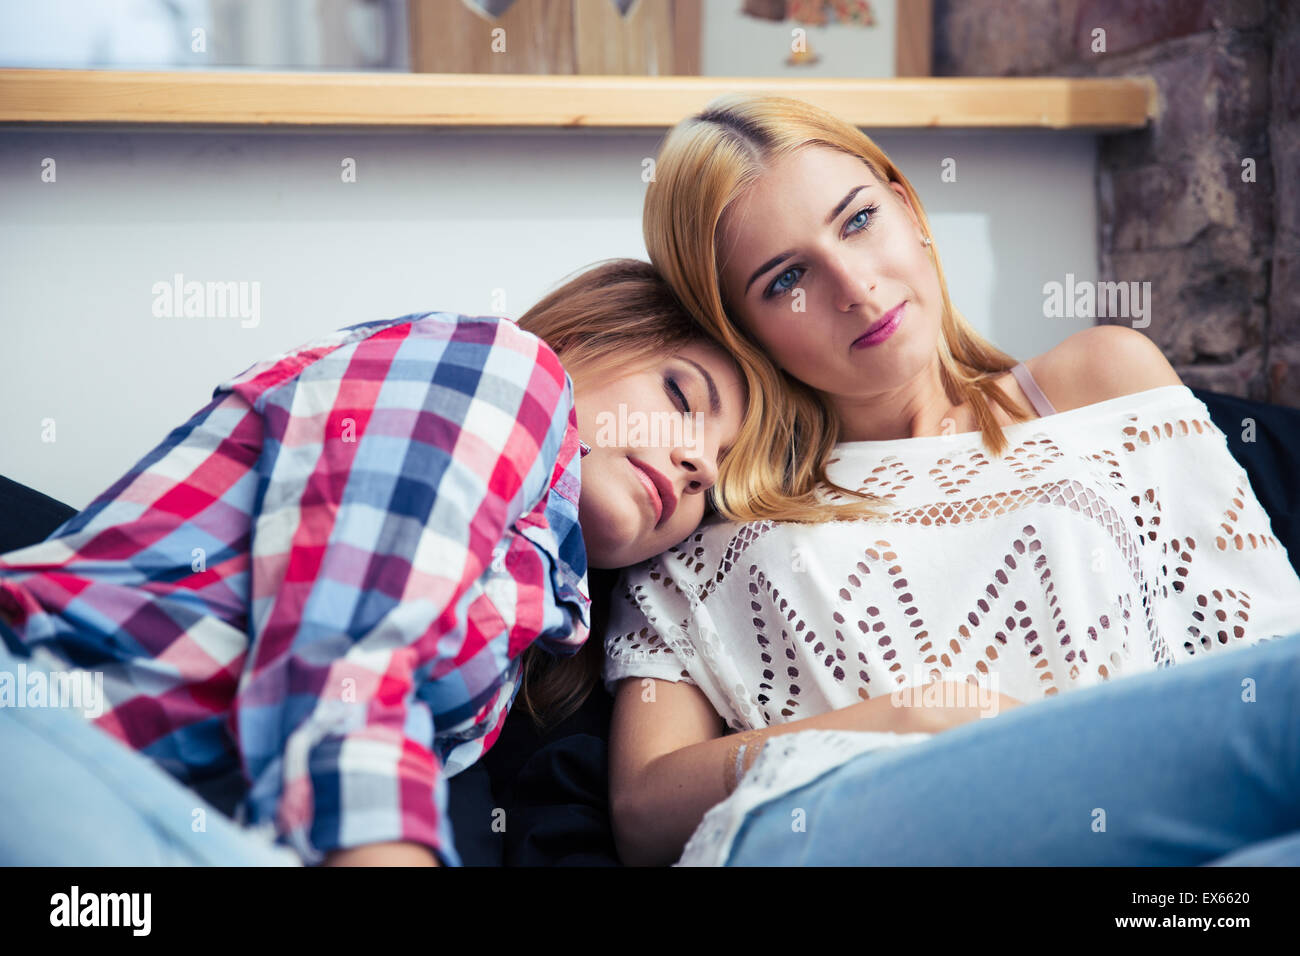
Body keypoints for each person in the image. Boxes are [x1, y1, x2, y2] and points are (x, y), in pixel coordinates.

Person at [600, 93, 1300, 866]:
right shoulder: (710, 515)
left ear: (909, 208)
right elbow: (642, 810)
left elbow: (1262, 664)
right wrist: (910, 717)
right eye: (786, 278)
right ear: (739, 328)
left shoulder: (1102, 380)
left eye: (859, 221)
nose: (857, 288)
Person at [0, 257, 745, 867]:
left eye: (718, 471)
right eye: (682, 396)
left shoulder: (528, 627)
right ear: (587, 336)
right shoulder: (511, 370)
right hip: (52, 715)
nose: (699, 466)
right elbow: (345, 655)